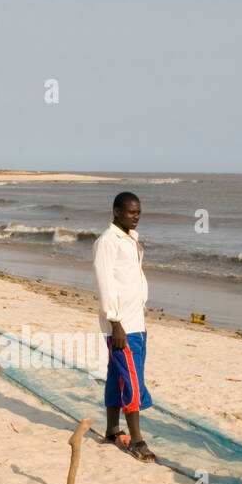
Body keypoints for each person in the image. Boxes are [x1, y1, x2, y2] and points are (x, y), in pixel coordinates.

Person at [93, 191, 156, 462]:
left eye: (139, 212)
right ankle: (137, 440)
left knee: (118, 377)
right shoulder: (108, 242)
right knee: (132, 380)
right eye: (131, 212)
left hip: (135, 322)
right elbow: (105, 282)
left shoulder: (130, 238)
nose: (136, 216)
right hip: (122, 325)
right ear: (116, 211)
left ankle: (111, 429)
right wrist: (114, 321)